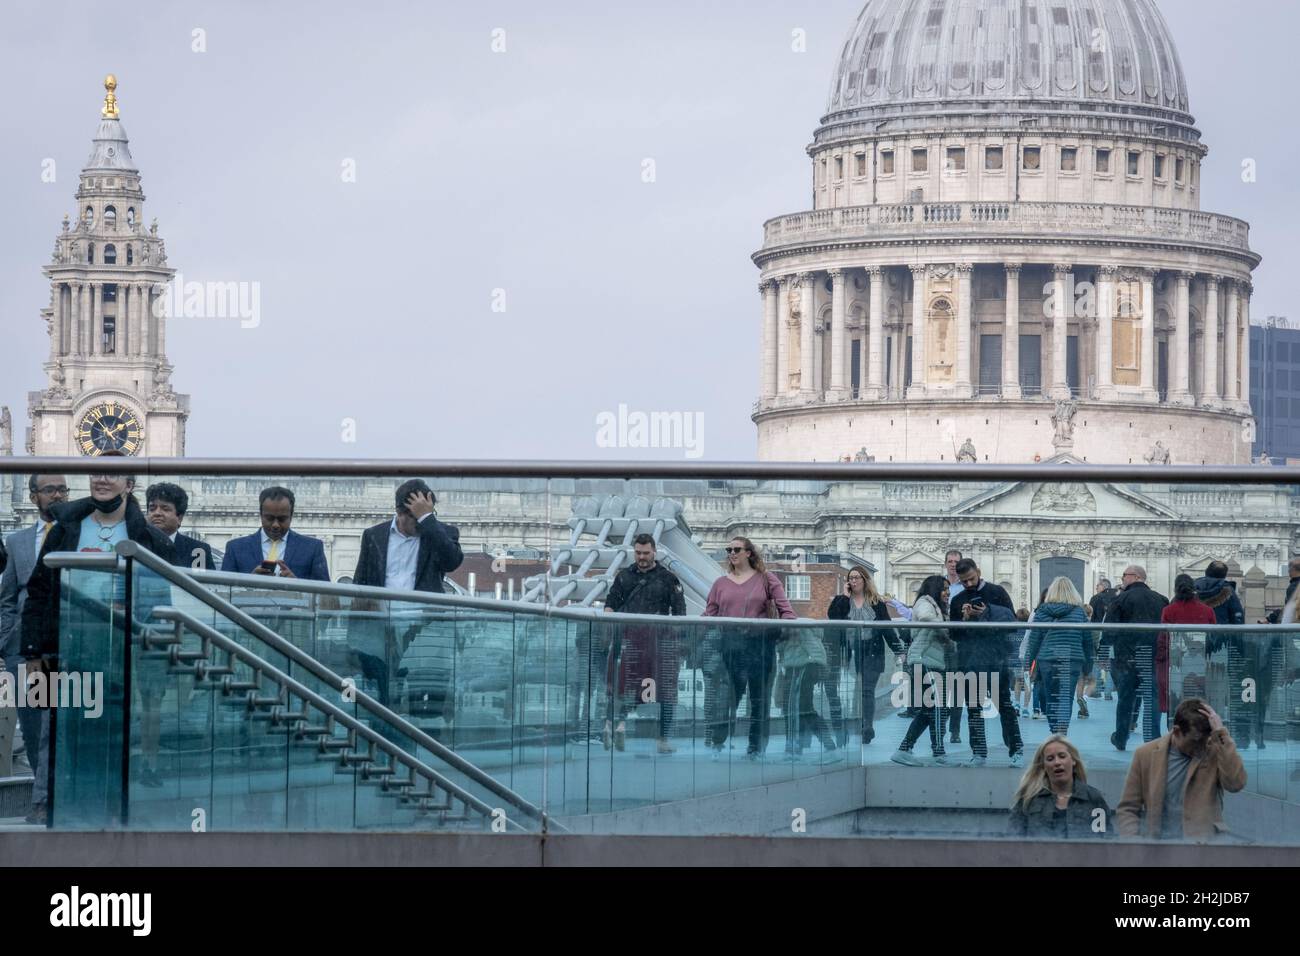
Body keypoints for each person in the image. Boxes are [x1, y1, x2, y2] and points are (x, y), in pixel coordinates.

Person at [20, 461, 175, 825]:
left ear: (129, 483)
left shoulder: (147, 537)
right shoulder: (65, 528)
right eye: (95, 472)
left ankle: (109, 820)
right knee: (64, 738)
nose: (102, 478)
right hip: (68, 650)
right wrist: (32, 651)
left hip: (120, 654)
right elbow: (39, 590)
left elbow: (161, 595)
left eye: (112, 473)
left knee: (113, 737)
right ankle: (66, 817)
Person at [348, 480, 465, 709]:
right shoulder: (373, 535)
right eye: (416, 516)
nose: (421, 522)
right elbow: (359, 584)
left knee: (425, 704)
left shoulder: (439, 533)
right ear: (400, 512)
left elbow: (452, 561)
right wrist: (354, 638)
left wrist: (427, 519)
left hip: (422, 633)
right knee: (379, 702)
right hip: (380, 631)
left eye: (428, 514)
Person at [0, 474, 68, 781]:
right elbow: (7, 598)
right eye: (50, 490)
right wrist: (5, 640)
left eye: (62, 489)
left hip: (68, 645)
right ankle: (43, 798)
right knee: (31, 726)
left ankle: (61, 796)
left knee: (65, 725)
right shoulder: (16, 542)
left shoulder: (79, 536)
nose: (57, 495)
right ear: (33, 497)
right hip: (25, 650)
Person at [702, 537, 795, 760]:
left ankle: (756, 748)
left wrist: (792, 626)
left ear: (749, 553)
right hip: (730, 647)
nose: (732, 553)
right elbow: (709, 614)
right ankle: (717, 742)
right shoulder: (720, 584)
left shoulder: (766, 579)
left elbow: (786, 610)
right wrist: (687, 629)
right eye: (729, 550)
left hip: (759, 646)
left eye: (736, 549)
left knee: (759, 700)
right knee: (727, 698)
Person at [1116, 699, 1246, 841]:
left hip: (1204, 849)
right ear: (1177, 731)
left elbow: (1235, 784)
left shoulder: (1215, 751)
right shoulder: (1145, 755)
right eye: (1195, 742)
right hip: (1159, 849)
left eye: (1204, 741)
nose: (1200, 748)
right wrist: (1132, 842)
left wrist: (1221, 735)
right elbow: (1128, 808)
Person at [603, 534, 686, 755]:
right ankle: (622, 727)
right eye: (638, 553)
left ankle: (657, 738)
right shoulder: (625, 577)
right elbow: (610, 604)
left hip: (658, 644)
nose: (641, 557)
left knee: (659, 690)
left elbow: (680, 613)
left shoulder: (668, 578)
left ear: (654, 552)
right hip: (634, 640)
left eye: (646, 553)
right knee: (628, 686)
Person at [949, 558, 1023, 767]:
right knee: (974, 707)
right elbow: (954, 634)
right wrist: (964, 620)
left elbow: (1011, 624)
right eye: (964, 582)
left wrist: (987, 614)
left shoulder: (998, 592)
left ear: (978, 572)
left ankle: (1015, 749)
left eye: (971, 579)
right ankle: (979, 752)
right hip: (971, 659)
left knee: (1004, 705)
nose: (969, 584)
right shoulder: (957, 601)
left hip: (996, 658)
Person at [828, 564, 902, 745]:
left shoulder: (876, 602)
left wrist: (899, 651)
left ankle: (867, 726)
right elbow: (833, 617)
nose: (853, 581)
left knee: (867, 690)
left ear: (865, 580)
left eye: (856, 578)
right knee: (853, 690)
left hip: (872, 650)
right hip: (850, 652)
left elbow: (887, 629)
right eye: (850, 578)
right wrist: (845, 597)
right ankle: (856, 723)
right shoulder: (841, 600)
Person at [890, 575, 954, 766]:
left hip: (932, 661)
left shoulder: (939, 608)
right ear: (934, 589)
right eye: (944, 588)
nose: (947, 592)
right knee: (937, 707)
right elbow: (926, 618)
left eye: (948, 589)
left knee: (929, 709)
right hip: (924, 659)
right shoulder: (925, 602)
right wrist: (944, 630)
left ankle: (904, 749)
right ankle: (938, 753)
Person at [1104, 566, 1169, 751]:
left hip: (1127, 656)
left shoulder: (1120, 599)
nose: (1122, 579)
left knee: (1125, 698)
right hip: (1153, 656)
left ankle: (1121, 738)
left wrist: (1105, 651)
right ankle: (1153, 739)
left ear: (1136, 577)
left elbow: (1109, 628)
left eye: (1124, 575)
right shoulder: (1161, 599)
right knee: (1152, 697)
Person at [1008, 735, 1111, 838]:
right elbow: (1013, 842)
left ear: (1073, 761)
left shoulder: (1093, 798)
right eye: (1050, 759)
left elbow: (1105, 843)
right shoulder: (1029, 799)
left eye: (1062, 756)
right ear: (1044, 766)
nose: (1057, 762)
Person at [1025, 577, 1092, 736]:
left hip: (1048, 659)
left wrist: (1027, 663)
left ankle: (1054, 730)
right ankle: (1062, 731)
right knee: (1065, 697)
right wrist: (1088, 665)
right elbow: (1087, 641)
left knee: (1051, 697)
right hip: (1071, 659)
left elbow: (1034, 640)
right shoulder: (1079, 612)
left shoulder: (1041, 612)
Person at [221, 486, 330, 580]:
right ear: (261, 515)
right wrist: (250, 582)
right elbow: (222, 591)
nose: (275, 525)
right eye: (270, 518)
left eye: (282, 519)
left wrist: (297, 586)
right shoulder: (235, 548)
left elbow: (327, 597)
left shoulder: (313, 548)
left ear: (291, 517)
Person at [1159, 574, 1215, 730]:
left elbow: (1163, 639)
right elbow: (1213, 640)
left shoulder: (1168, 611)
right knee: (1199, 702)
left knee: (1176, 702)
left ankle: (1176, 734)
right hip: (1201, 664)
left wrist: (1161, 659)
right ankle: (1200, 733)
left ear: (1175, 589)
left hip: (1176, 664)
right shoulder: (1207, 610)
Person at [145, 482, 214, 571]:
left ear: (179, 518)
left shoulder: (197, 551)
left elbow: (202, 583)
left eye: (165, 509)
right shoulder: (137, 546)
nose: (157, 513)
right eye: (152, 509)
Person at [1089, 579, 1119, 700]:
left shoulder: (1095, 598)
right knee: (1110, 661)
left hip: (1097, 631)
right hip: (1112, 632)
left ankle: (1095, 689)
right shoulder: (1116, 598)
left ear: (1104, 586)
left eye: (1098, 585)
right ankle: (1108, 692)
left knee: (1097, 661)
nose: (1096, 587)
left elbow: (1092, 616)